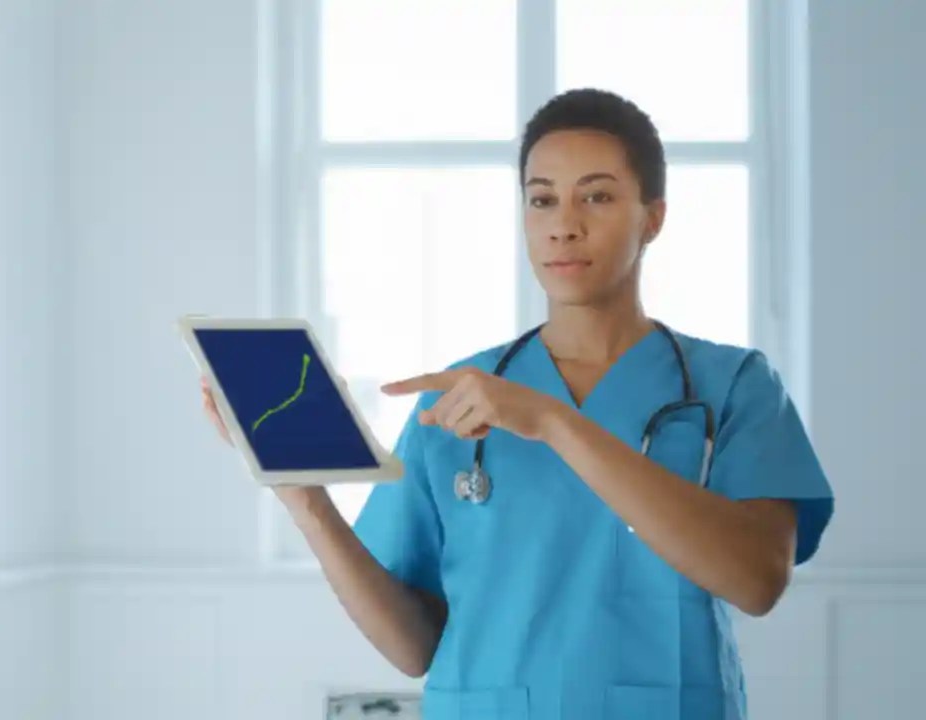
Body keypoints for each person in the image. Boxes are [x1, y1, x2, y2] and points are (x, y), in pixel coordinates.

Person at [200, 88, 833, 720]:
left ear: (653, 218)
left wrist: (556, 424)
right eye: (542, 199)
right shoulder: (460, 396)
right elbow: (412, 647)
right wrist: (305, 501)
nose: (564, 223)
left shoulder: (732, 385)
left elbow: (756, 581)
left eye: (598, 196)